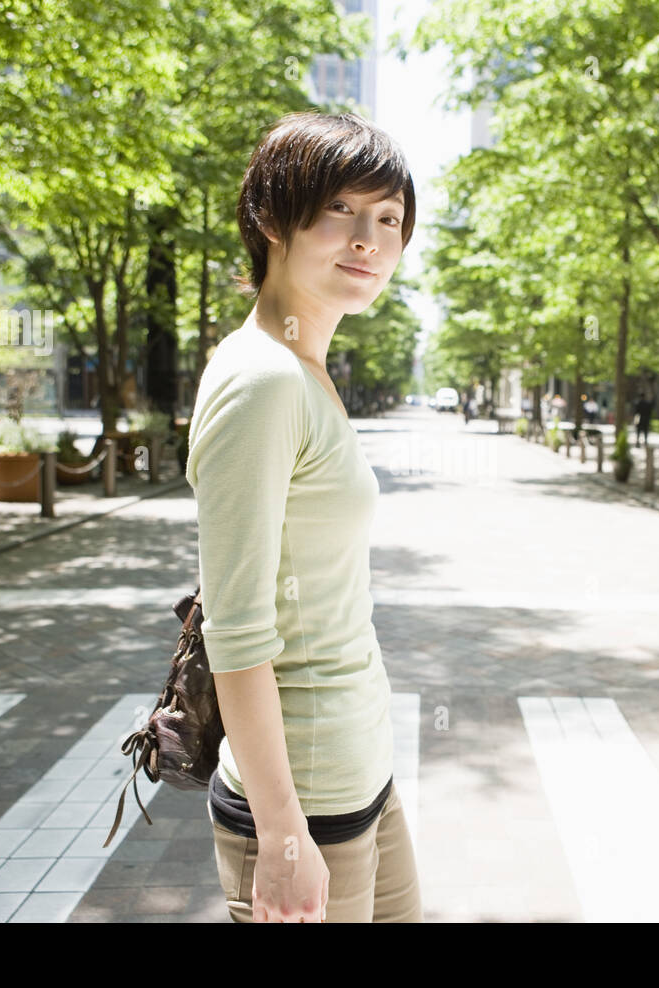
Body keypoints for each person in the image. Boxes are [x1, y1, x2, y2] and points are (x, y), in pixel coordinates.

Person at [186, 111, 421, 924]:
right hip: (305, 804)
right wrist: (283, 831)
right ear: (271, 219)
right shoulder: (264, 381)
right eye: (341, 211)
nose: (369, 240)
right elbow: (237, 626)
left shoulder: (304, 368)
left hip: (358, 778)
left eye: (388, 219)